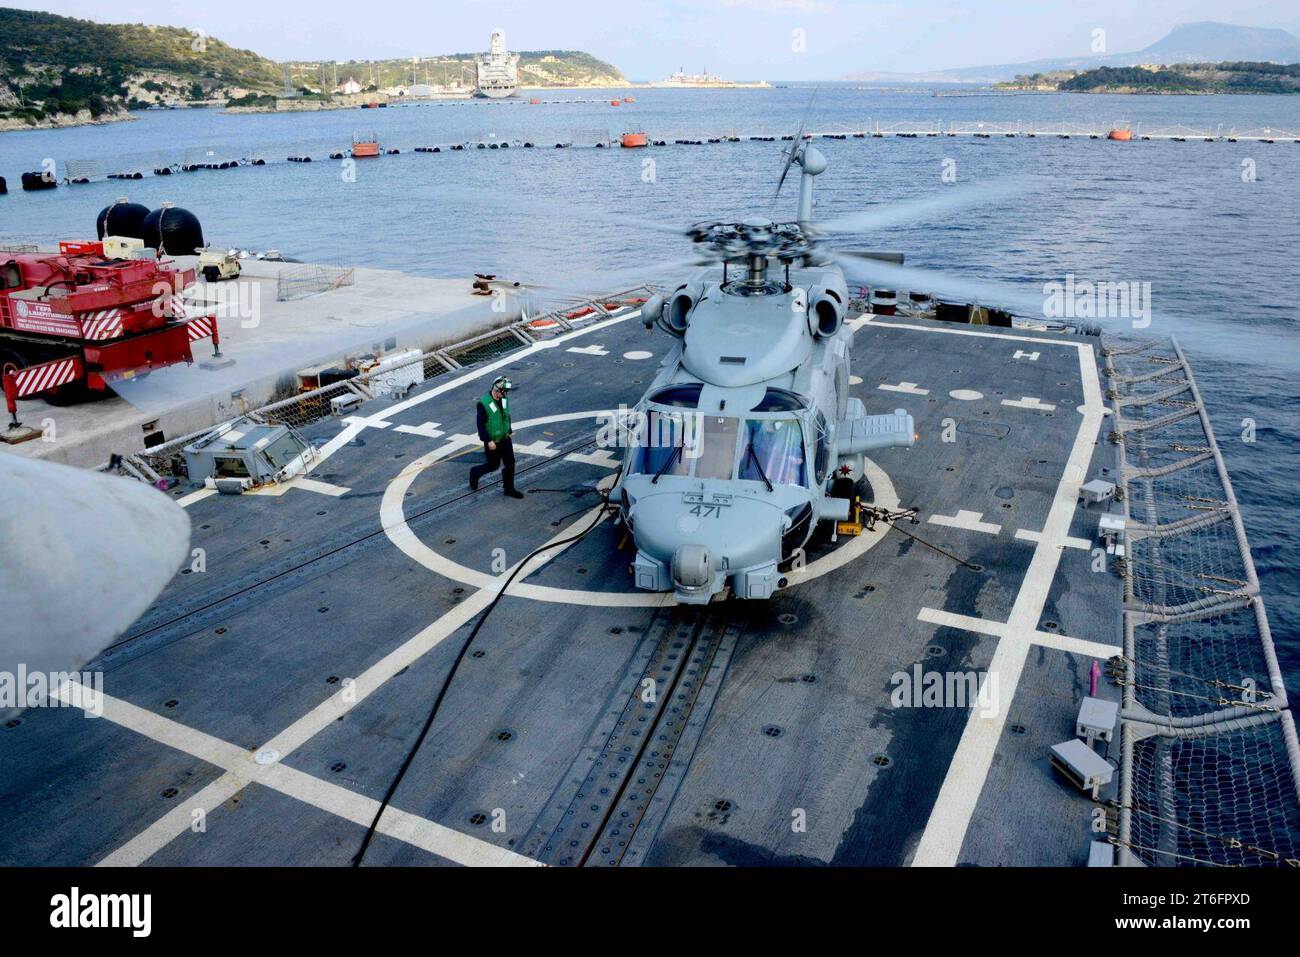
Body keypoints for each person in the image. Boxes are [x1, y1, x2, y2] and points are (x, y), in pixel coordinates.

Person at [469, 376, 523, 498]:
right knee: (493, 465)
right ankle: (474, 472)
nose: (505, 394)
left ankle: (509, 489)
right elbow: (480, 425)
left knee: (510, 463)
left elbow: (506, 414)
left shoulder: (504, 399)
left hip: (505, 438)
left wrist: (509, 430)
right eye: (503, 392)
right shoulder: (484, 403)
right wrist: (488, 441)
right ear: (496, 389)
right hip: (493, 441)